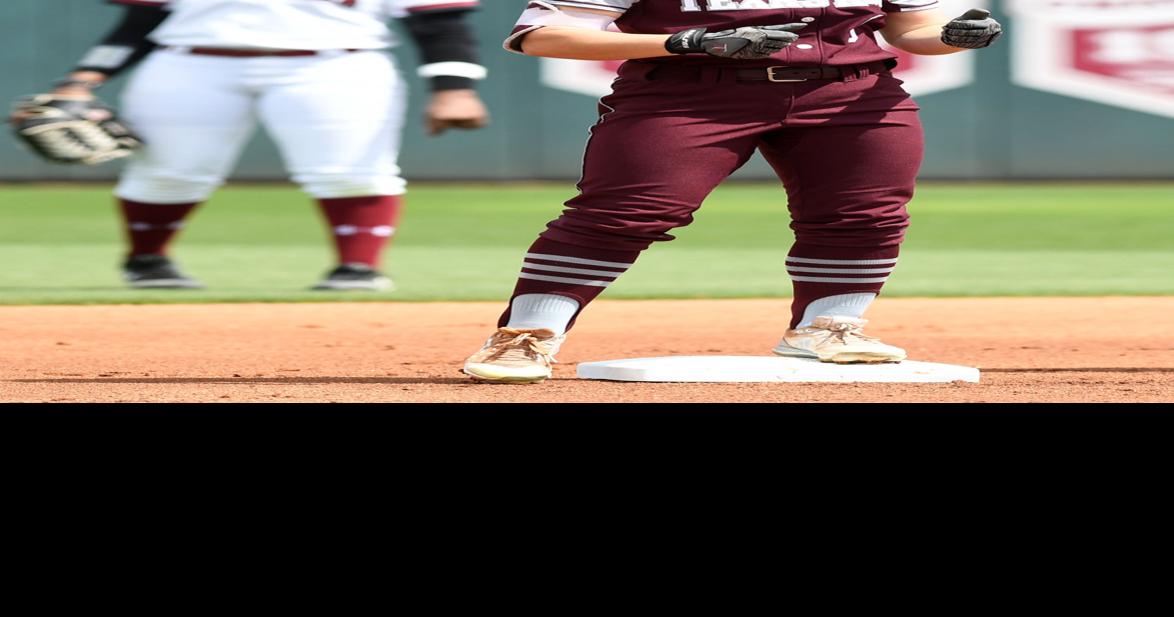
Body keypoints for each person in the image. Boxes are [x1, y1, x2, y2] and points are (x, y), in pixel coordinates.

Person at [461, 0, 1002, 383]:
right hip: (689, 90)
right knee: (626, 213)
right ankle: (527, 334)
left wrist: (951, 36)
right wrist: (682, 42)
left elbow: (910, 27)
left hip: (850, 88)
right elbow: (542, 35)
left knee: (865, 214)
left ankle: (827, 326)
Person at [16, 0, 488, 290]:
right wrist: (82, 79)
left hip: (336, 62)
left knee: (350, 171)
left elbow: (439, 20)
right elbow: (141, 19)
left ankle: (358, 269)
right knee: (168, 171)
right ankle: (147, 262)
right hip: (190, 60)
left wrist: (454, 87)